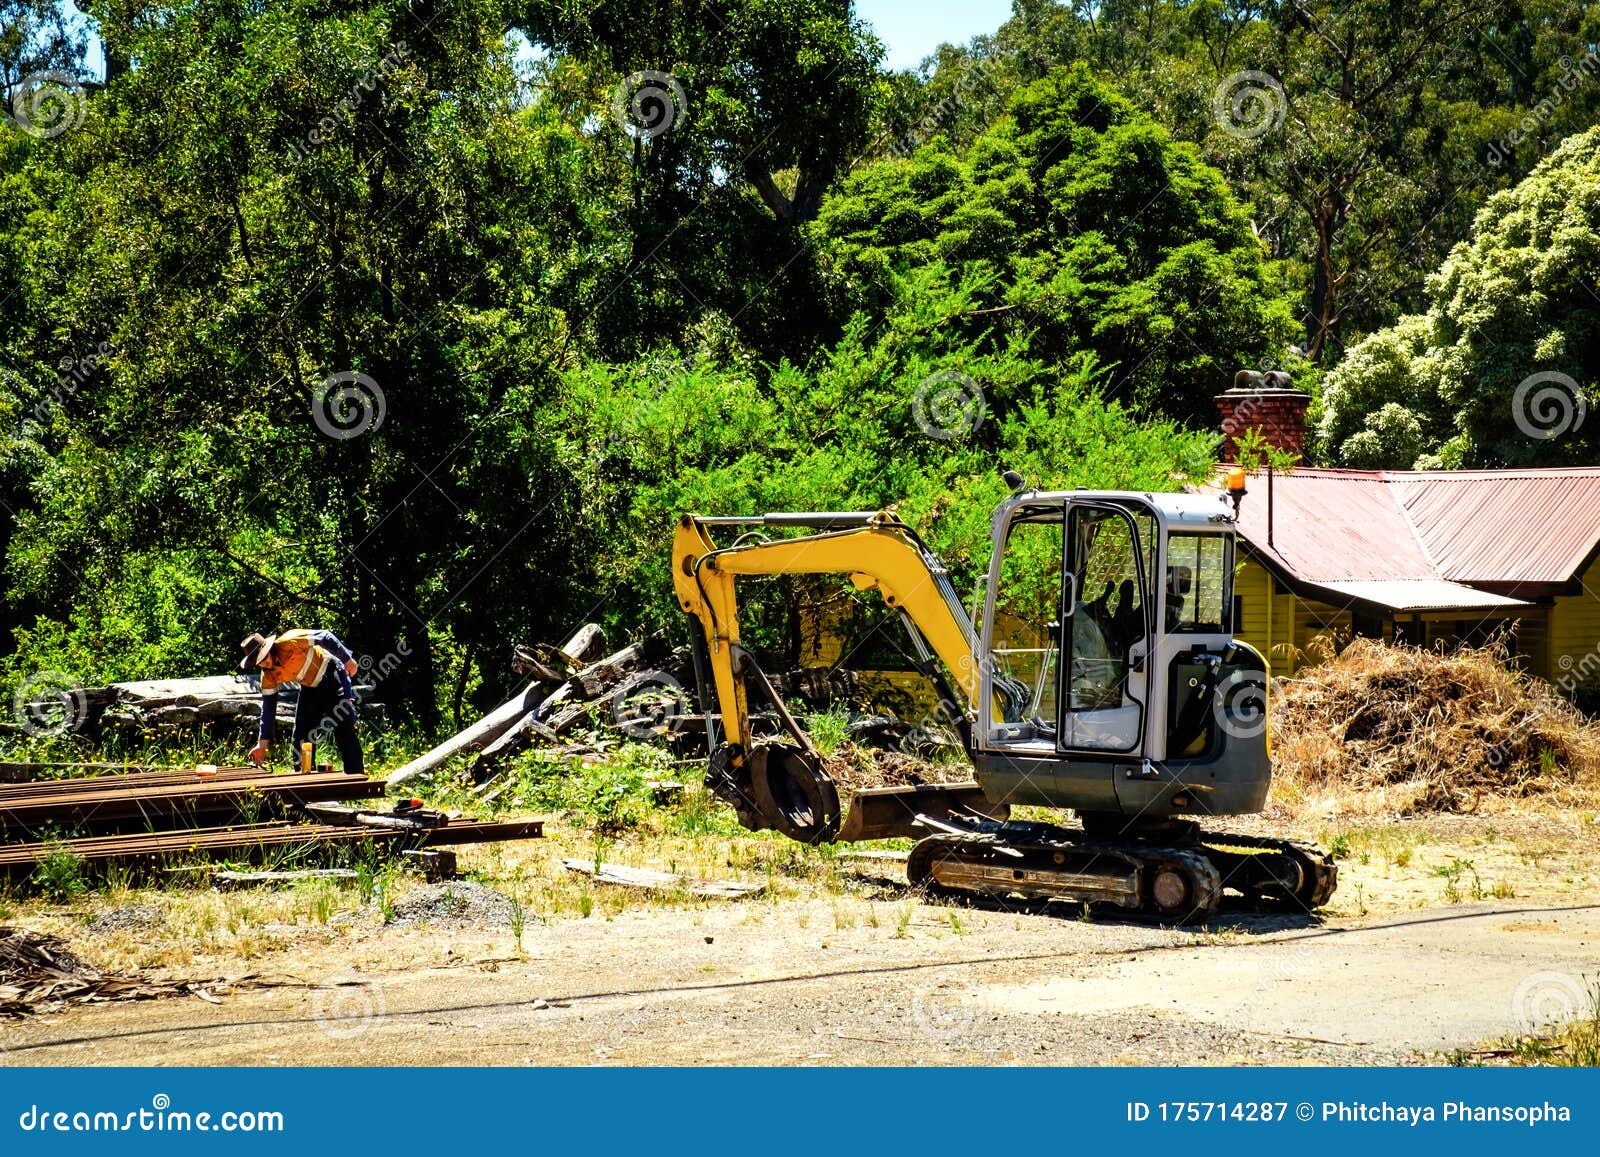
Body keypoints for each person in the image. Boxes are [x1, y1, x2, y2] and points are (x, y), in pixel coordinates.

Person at [239, 630, 363, 775]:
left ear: (270, 648)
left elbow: (326, 637)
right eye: (259, 662)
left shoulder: (290, 640)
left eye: (264, 657)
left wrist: (347, 659)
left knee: (344, 728)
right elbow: (268, 710)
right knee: (301, 738)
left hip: (332, 674)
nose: (264, 664)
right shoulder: (268, 676)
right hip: (309, 687)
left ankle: (356, 777)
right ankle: (306, 782)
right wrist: (262, 745)